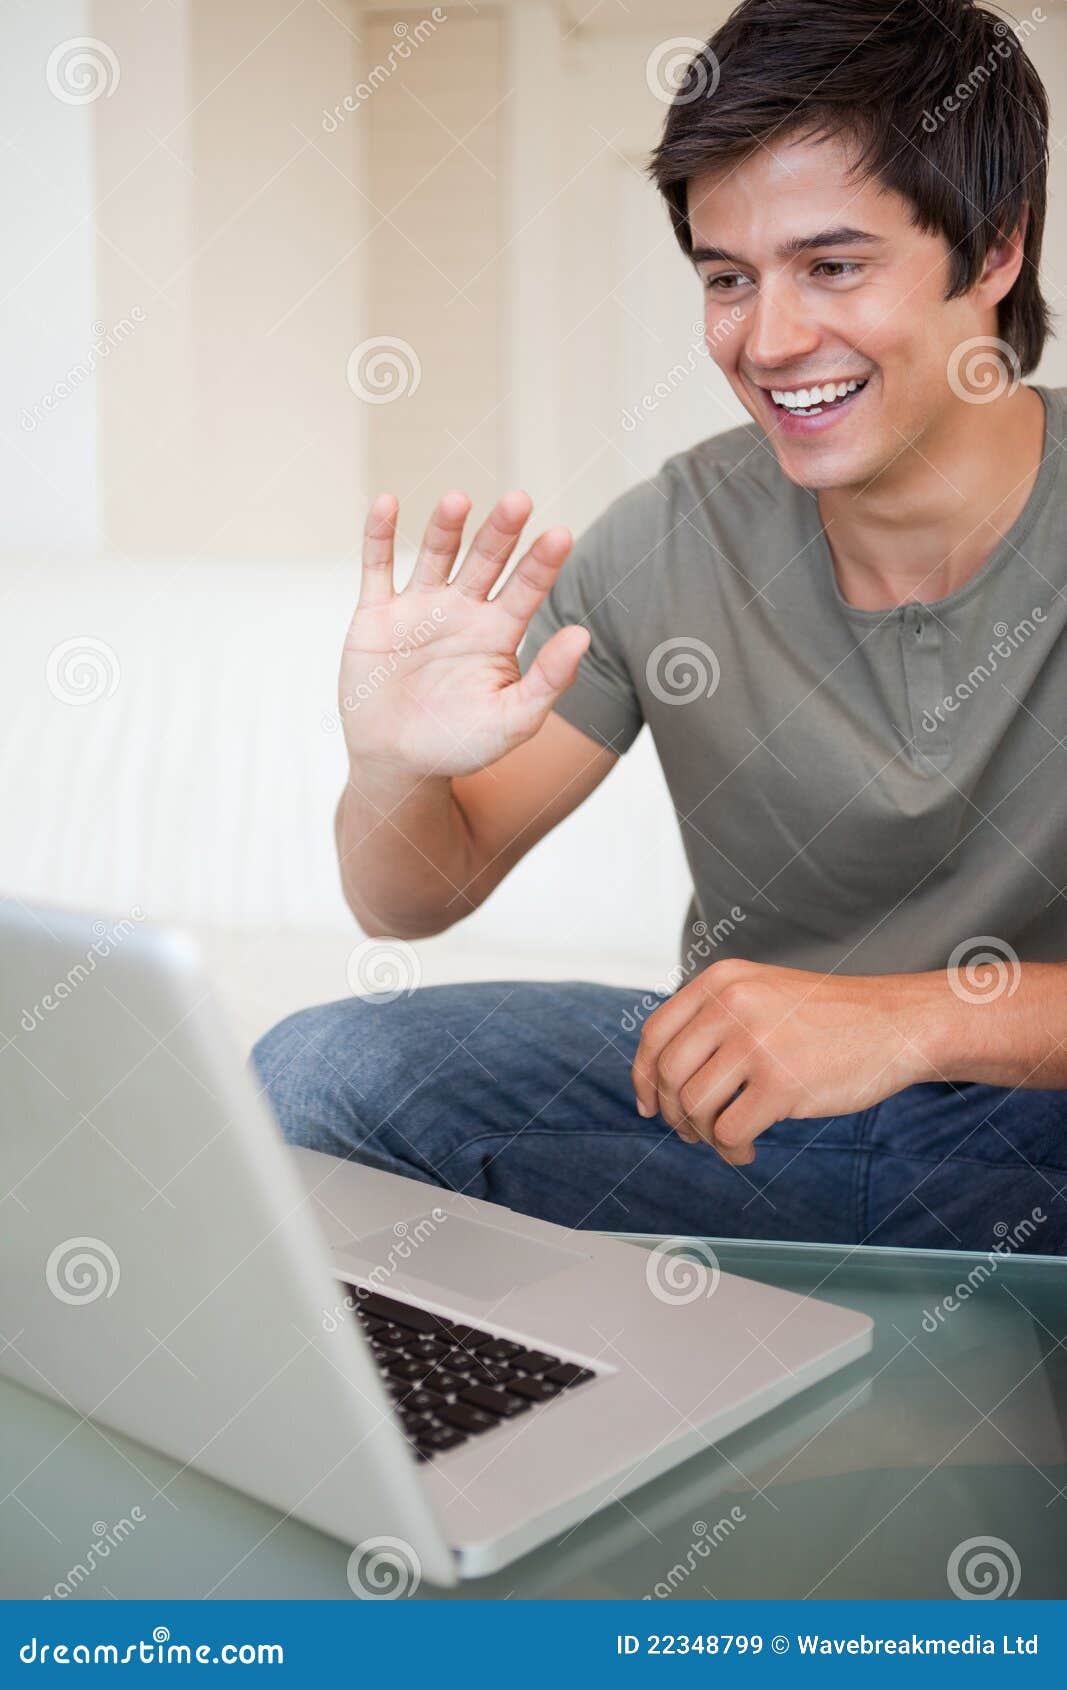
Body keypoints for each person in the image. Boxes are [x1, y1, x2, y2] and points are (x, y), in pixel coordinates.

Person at [253, 0, 1067, 1251]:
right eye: (726, 279)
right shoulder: (667, 537)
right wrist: (392, 766)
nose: (771, 339)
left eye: (832, 265)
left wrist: (910, 1020)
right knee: (321, 1075)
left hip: (1037, 1130)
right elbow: (417, 894)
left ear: (994, 247)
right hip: (740, 1133)